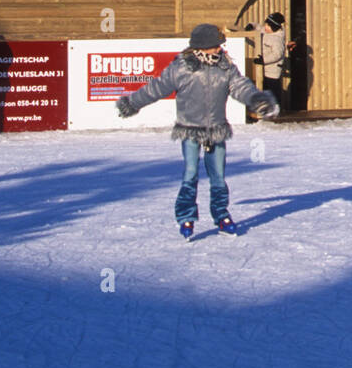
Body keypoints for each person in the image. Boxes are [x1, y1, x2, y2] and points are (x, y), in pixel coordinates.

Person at [116, 23, 278, 239]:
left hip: (216, 129)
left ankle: (221, 216)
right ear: (202, 47)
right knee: (190, 174)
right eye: (214, 46)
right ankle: (186, 217)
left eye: (219, 46)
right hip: (190, 129)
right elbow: (156, 88)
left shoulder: (226, 67)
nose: (219, 49)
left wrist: (257, 100)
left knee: (218, 177)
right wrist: (132, 103)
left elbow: (241, 87)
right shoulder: (181, 67)